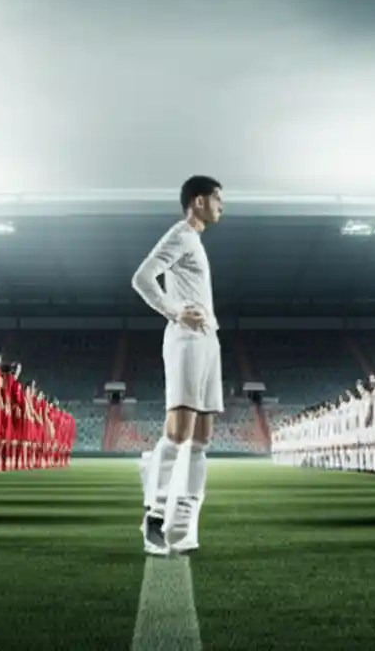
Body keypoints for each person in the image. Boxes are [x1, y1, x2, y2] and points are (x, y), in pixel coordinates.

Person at [133, 175, 224, 556]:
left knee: (202, 438)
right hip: (186, 340)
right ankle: (153, 519)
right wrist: (175, 311)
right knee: (178, 433)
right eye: (218, 199)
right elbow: (142, 278)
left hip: (208, 340)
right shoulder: (181, 234)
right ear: (198, 201)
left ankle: (183, 526)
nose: (222, 207)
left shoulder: (196, 242)